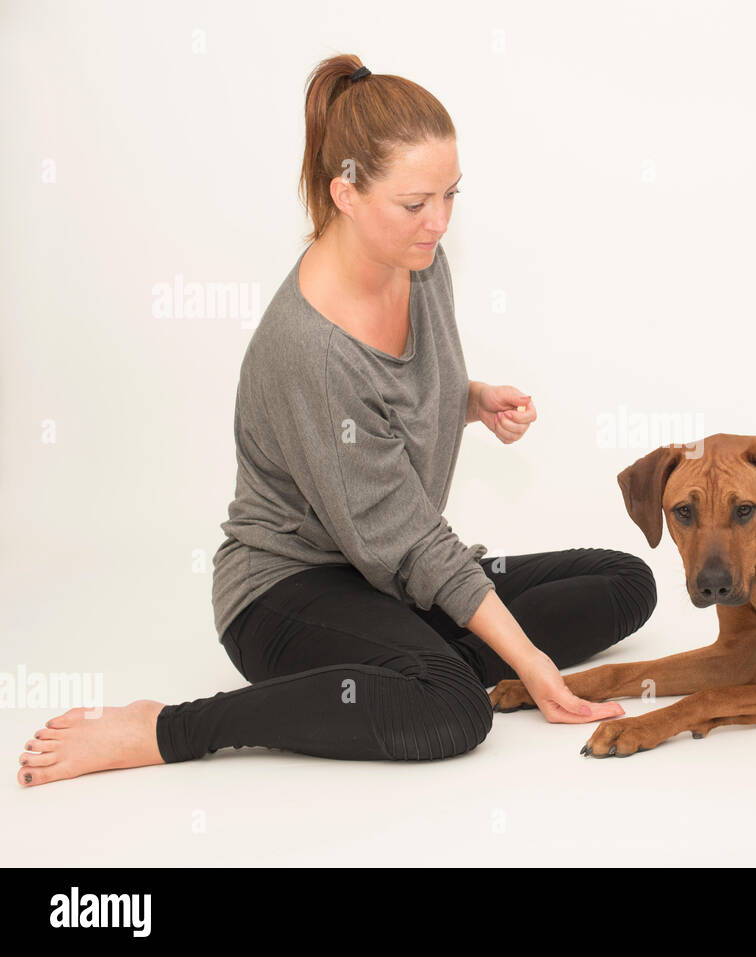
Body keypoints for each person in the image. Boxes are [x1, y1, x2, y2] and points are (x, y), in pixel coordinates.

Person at [17, 55, 656, 787]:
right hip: (290, 591)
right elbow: (410, 536)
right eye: (415, 203)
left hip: (387, 569)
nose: (439, 222)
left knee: (624, 581)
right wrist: (532, 663)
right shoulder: (308, 349)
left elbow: (392, 414)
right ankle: (170, 726)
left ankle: (409, 658)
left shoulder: (420, 262)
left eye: (450, 195)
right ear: (345, 193)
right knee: (453, 709)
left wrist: (469, 398)